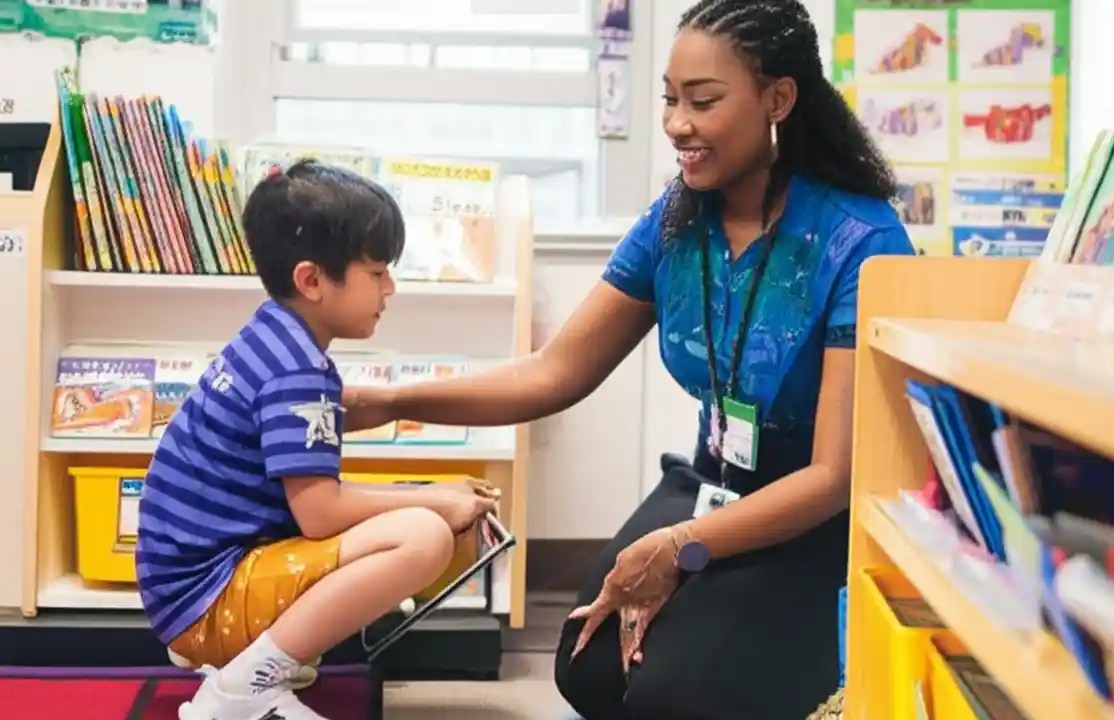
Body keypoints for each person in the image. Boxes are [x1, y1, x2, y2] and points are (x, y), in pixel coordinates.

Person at [347, 0, 915, 716]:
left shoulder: (858, 241)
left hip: (811, 515)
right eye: (670, 100)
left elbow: (833, 478)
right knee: (587, 668)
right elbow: (554, 373)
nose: (678, 122)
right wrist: (389, 404)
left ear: (779, 97)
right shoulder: (675, 221)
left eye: (703, 101)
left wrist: (682, 548)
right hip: (715, 477)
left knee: (667, 697)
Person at [134, 160, 497, 720]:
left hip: (187, 590)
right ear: (311, 280)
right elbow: (321, 515)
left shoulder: (274, 338)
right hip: (204, 603)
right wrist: (434, 495)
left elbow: (310, 427)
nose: (390, 288)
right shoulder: (294, 371)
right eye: (376, 272)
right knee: (422, 537)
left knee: (416, 521)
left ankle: (255, 663)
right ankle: (244, 690)